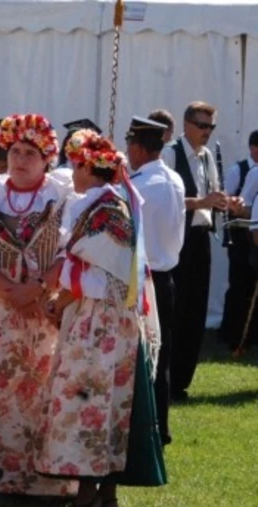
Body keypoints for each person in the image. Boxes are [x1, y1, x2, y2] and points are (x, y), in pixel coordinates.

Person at [38, 129, 166, 507]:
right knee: (105, 403)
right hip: (98, 321)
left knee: (91, 401)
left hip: (103, 324)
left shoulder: (109, 211)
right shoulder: (102, 206)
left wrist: (62, 289)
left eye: (75, 164)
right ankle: (103, 495)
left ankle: (88, 495)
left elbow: (110, 278)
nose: (70, 172)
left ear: (89, 168)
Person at [0, 113, 76, 497]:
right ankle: (4, 474)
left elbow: (69, 249)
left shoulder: (63, 196)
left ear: (47, 157)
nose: (21, 159)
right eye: (15, 150)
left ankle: (46, 477)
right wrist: (7, 289)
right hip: (3, 305)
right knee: (2, 382)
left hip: (47, 305)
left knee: (45, 381)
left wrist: (37, 287)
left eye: (30, 152)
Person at [160, 102, 242, 401]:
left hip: (200, 239)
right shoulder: (171, 153)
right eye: (202, 125)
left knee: (195, 311)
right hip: (177, 240)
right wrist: (202, 202)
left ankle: (182, 381)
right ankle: (165, 379)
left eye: (211, 127)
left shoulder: (208, 156)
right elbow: (163, 200)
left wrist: (225, 202)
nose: (207, 132)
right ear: (187, 124)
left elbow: (211, 195)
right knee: (176, 311)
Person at [126, 116, 185, 446]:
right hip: (166, 275)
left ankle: (145, 428)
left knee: (142, 354)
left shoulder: (140, 186)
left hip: (144, 277)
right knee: (160, 354)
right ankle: (159, 427)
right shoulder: (172, 178)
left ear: (137, 148)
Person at [219, 130, 258, 349]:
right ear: (253, 148)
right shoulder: (242, 170)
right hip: (241, 236)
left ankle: (249, 335)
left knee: (250, 286)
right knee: (238, 286)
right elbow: (232, 202)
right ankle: (231, 333)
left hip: (252, 234)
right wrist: (236, 206)